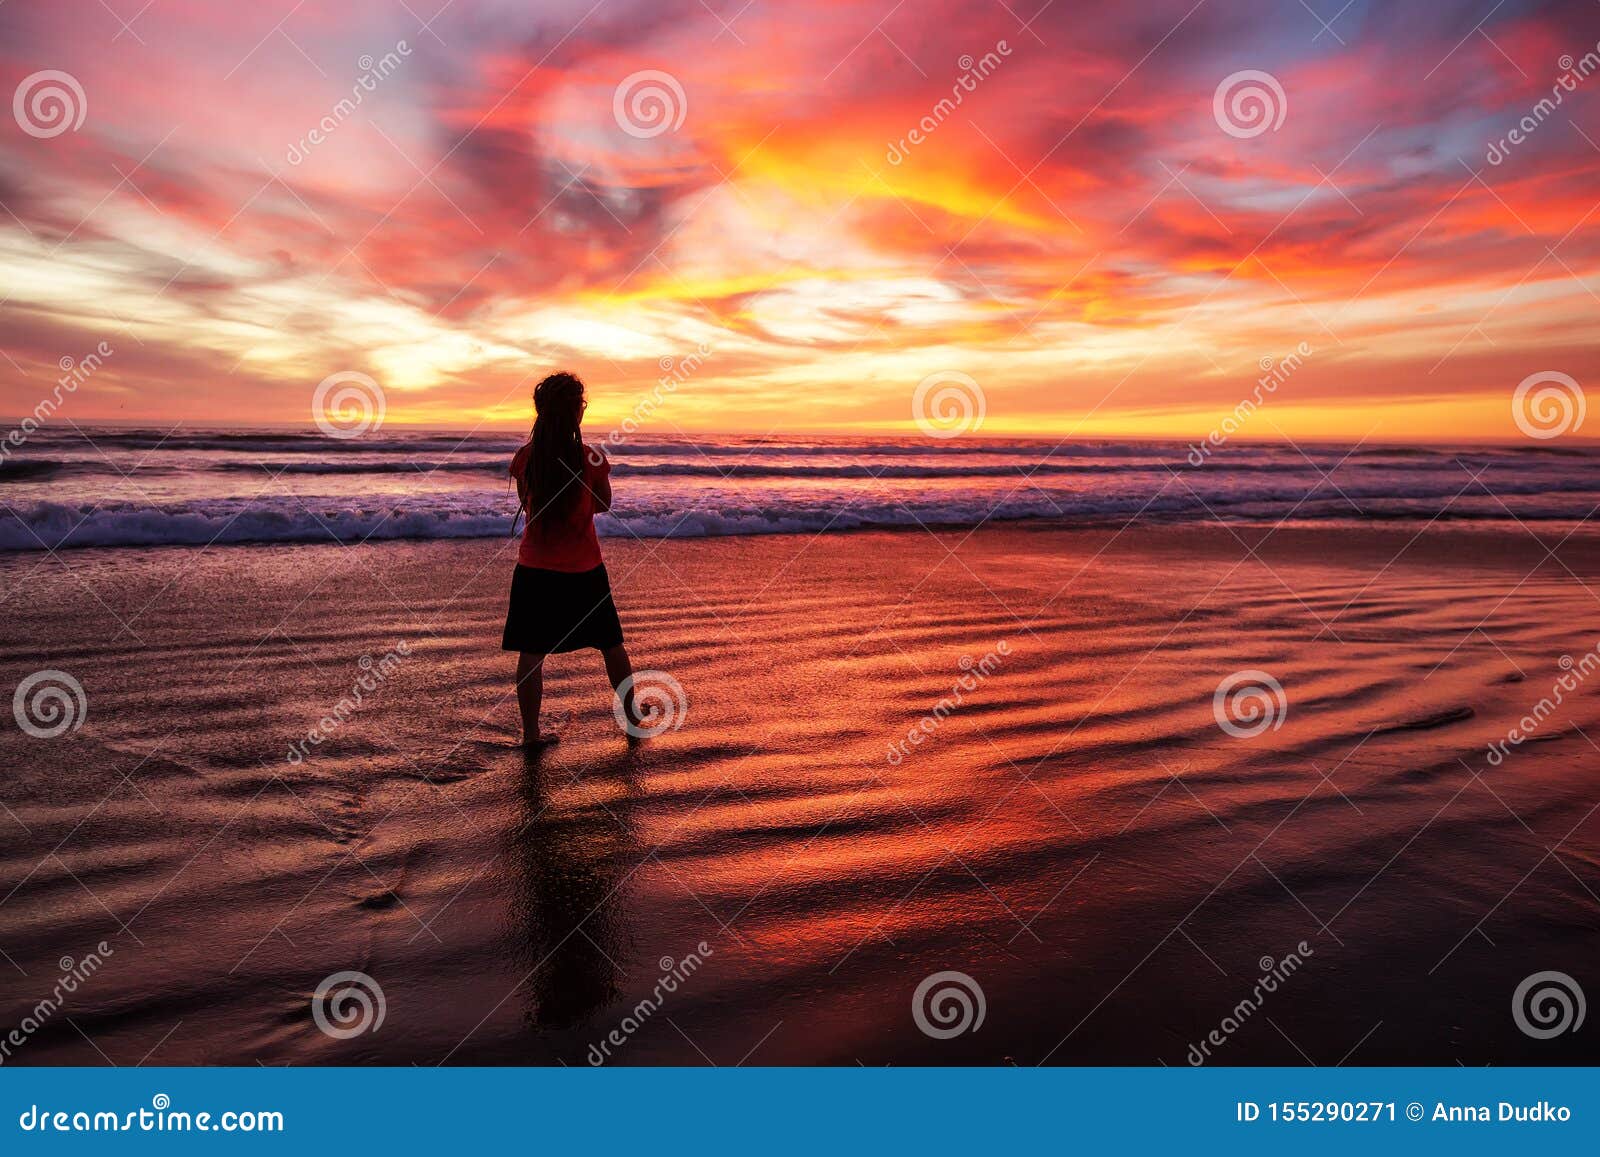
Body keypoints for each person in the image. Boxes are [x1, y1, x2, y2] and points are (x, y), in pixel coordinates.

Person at [503, 371, 642, 745]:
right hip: (584, 568)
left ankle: (530, 734)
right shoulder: (590, 457)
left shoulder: (526, 458)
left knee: (532, 653)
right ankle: (632, 723)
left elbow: (526, 504)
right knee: (611, 645)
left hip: (535, 569)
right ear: (576, 413)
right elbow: (604, 503)